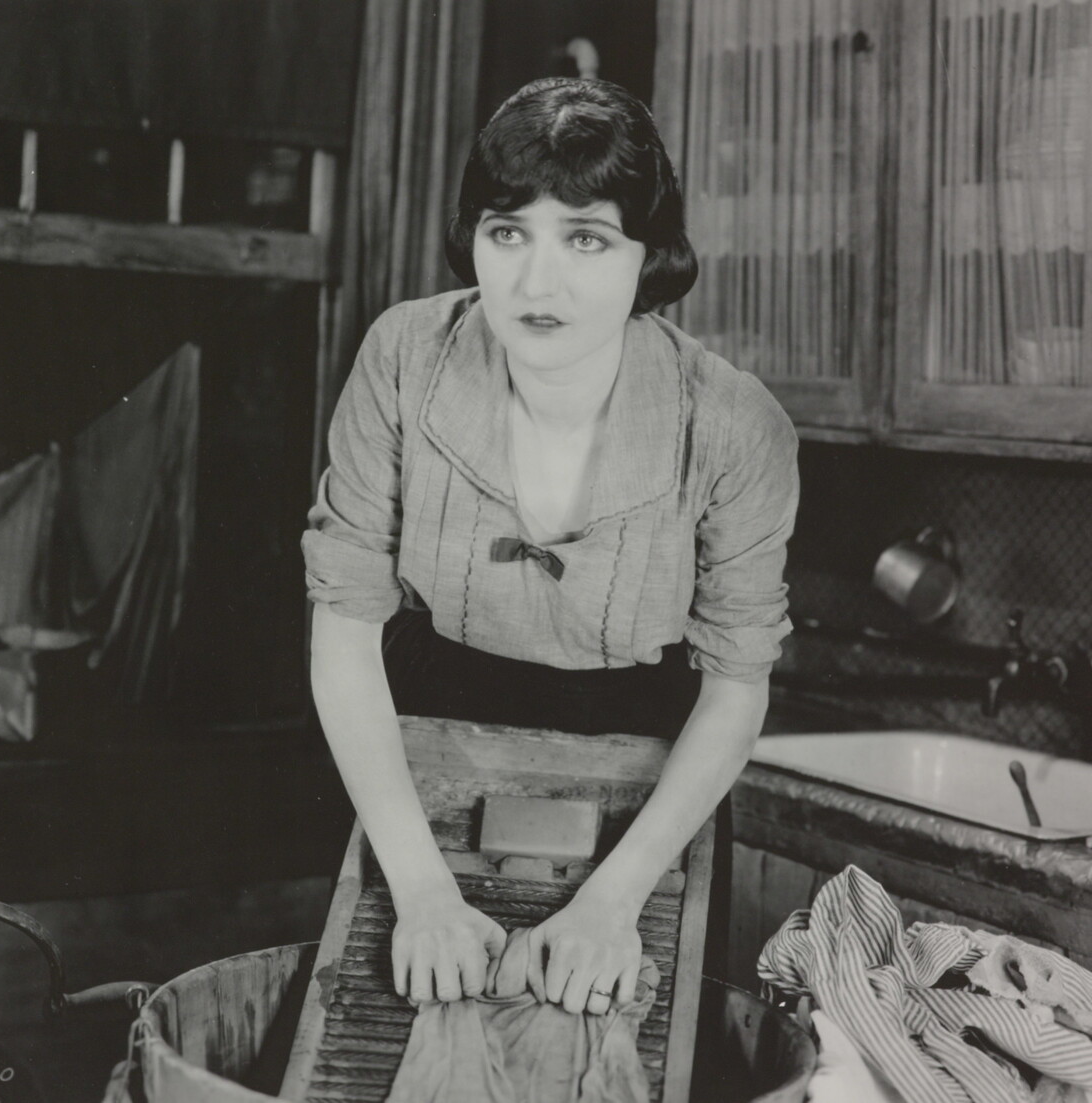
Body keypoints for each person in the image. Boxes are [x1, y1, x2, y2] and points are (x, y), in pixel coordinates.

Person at [303, 77, 799, 1021]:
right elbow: (345, 634)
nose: (537, 283)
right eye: (507, 232)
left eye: (586, 238)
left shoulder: (736, 426)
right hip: (414, 739)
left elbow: (736, 691)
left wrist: (613, 903)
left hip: (650, 765)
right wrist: (421, 891)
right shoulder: (403, 358)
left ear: (648, 254)